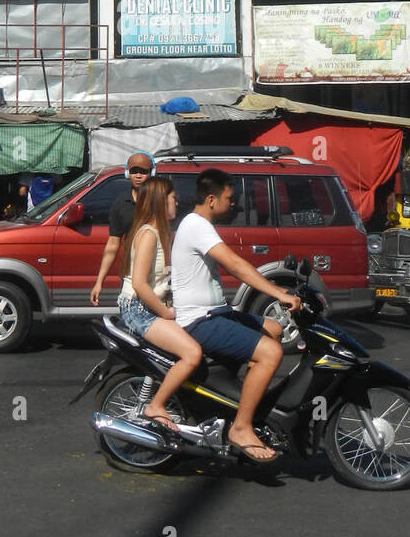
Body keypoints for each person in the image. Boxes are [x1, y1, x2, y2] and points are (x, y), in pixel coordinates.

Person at [170, 168, 301, 465]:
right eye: (230, 198)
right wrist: (278, 293)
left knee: (273, 330)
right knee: (270, 353)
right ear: (212, 199)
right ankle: (241, 428)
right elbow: (234, 264)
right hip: (198, 321)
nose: (235, 204)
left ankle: (240, 402)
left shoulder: (197, 224)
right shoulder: (196, 225)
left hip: (216, 313)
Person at [116, 177, 202, 431]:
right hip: (138, 309)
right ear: (159, 202)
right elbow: (141, 285)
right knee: (192, 353)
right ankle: (156, 405)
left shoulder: (161, 232)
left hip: (149, 306)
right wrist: (165, 312)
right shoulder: (149, 235)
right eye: (173, 198)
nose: (177, 202)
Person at [90, 153, 156, 305]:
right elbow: (113, 243)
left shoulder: (158, 201)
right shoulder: (121, 203)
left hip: (156, 273)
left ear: (152, 173)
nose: (138, 175)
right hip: (130, 273)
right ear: (128, 173)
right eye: (134, 171)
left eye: (143, 172)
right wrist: (100, 281)